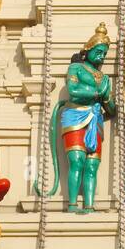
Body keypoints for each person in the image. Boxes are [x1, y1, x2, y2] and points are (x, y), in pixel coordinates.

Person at [40, 24, 116, 212]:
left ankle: (89, 206)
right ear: (87, 50)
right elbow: (73, 91)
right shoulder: (76, 68)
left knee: (91, 166)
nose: (101, 56)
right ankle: (72, 205)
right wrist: (99, 92)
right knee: (77, 161)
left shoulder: (104, 78)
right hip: (74, 117)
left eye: (104, 54)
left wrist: (108, 98)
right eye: (98, 51)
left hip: (95, 120)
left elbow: (112, 109)